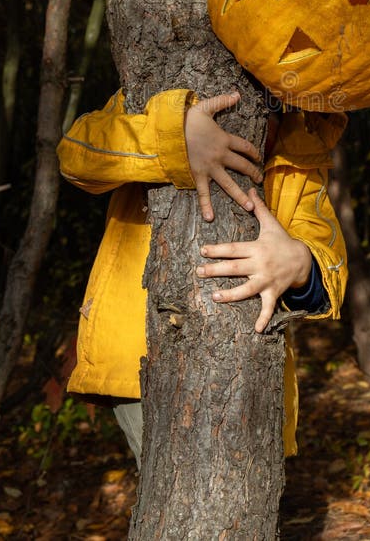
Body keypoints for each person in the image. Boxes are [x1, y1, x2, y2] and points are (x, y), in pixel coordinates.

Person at [57, 87, 348, 462]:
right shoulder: (161, 82)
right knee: (177, 498)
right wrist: (174, 139)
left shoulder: (300, 141)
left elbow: (329, 266)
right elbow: (77, 156)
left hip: (250, 363)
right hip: (144, 351)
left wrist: (296, 262)